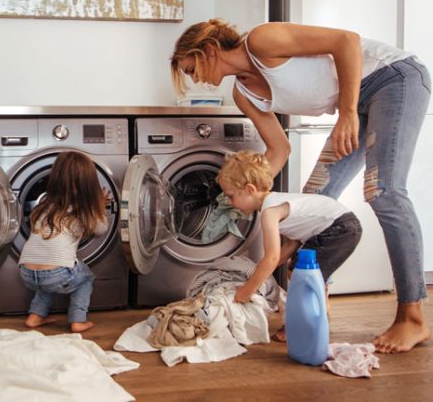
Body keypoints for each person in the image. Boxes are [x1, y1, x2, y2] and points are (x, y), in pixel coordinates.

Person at [170, 19, 431, 353]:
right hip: (359, 102)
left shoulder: (262, 41)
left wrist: (348, 113)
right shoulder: (243, 94)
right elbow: (279, 150)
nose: (195, 79)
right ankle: (314, 305)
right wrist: (242, 193)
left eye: (192, 69)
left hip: (393, 79)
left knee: (384, 192)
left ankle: (412, 316)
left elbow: (346, 41)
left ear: (208, 50)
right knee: (311, 204)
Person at [216, 150, 362, 340]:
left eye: (231, 196)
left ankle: (302, 325)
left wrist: (247, 290)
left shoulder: (270, 212)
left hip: (338, 228)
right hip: (340, 225)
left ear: (250, 190)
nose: (229, 202)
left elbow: (272, 257)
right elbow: (291, 246)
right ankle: (315, 316)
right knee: (299, 271)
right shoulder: (276, 202)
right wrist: (257, 270)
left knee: (302, 274)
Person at [18, 151, 110, 333]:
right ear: (89, 184)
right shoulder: (84, 209)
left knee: (47, 274)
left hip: (26, 272)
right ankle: (78, 320)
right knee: (85, 278)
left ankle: (35, 316)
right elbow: (101, 229)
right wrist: (99, 207)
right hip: (57, 274)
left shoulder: (44, 204)